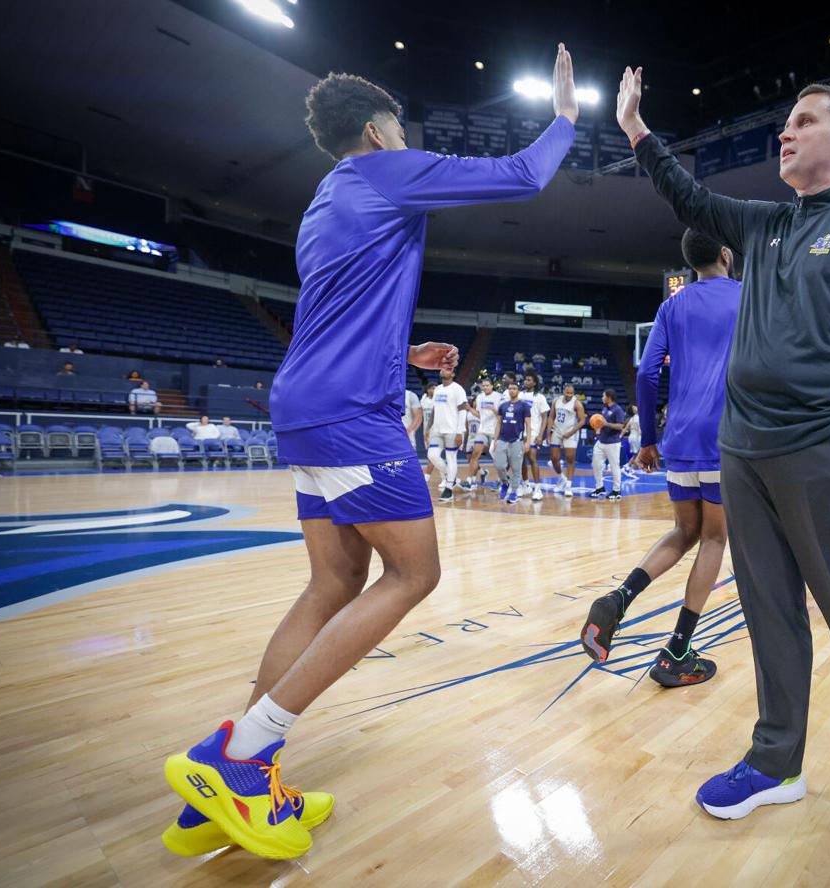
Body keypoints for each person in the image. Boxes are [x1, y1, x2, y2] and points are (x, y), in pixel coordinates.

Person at [160, 48, 579, 861]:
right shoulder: (385, 169)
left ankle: (243, 765)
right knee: (414, 575)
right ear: (378, 130)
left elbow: (339, 309)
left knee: (333, 581)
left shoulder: (327, 197)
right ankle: (241, 758)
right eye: (401, 128)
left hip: (308, 402)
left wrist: (403, 354)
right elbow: (524, 176)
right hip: (352, 412)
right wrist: (564, 116)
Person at [616, 68, 830, 861]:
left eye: (801, 121)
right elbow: (689, 200)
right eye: (785, 122)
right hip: (744, 451)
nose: (784, 132)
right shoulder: (766, 223)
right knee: (769, 611)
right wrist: (637, 130)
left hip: (824, 451)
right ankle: (776, 761)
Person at [580, 228, 741, 687]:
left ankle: (617, 599)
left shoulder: (672, 306)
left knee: (683, 530)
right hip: (724, 437)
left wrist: (649, 438)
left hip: (680, 438)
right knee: (713, 539)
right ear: (727, 255)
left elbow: (648, 373)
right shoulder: (748, 297)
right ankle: (676, 653)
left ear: (692, 264)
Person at [424, 368, 468, 501]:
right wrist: (428, 427)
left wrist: (460, 431)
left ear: (453, 374)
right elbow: (434, 409)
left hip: (452, 430)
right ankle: (451, 478)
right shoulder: (437, 389)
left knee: (451, 458)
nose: (444, 371)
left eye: (447, 369)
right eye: (442, 369)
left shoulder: (458, 389)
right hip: (437, 430)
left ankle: (448, 489)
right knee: (432, 455)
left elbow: (463, 410)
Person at [492, 381, 532, 504]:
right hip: (502, 439)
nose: (512, 390)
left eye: (514, 388)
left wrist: (528, 442)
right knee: (499, 465)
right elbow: (498, 423)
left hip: (517, 441)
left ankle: (514, 492)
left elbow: (528, 425)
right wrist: (495, 440)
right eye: (510, 388)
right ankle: (505, 482)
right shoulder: (503, 406)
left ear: (518, 391)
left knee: (516, 468)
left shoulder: (524, 406)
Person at [548, 383, 585, 497]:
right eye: (567, 392)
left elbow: (582, 421)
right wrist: (548, 433)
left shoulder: (577, 403)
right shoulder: (556, 401)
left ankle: (568, 486)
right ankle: (561, 478)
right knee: (554, 459)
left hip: (570, 433)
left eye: (571, 393)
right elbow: (551, 417)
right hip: (557, 431)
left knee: (570, 459)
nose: (569, 395)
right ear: (563, 391)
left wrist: (571, 432)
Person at [465, 378, 503, 490]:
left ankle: (502, 480)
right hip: (482, 430)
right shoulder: (480, 397)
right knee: (475, 454)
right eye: (483, 386)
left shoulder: (498, 397)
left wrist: (494, 410)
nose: (485, 387)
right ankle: (470, 481)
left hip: (495, 431)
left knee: (497, 458)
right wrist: (470, 409)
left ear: (492, 386)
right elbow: (479, 415)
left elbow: (501, 415)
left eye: (487, 385)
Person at [518, 371, 550, 500]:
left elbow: (545, 417)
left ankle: (538, 488)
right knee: (521, 460)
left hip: (534, 431)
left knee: (532, 458)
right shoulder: (520, 395)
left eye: (529, 380)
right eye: (525, 379)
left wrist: (540, 435)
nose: (526, 382)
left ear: (535, 382)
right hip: (520, 432)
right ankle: (525, 485)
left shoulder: (540, 397)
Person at [589, 389, 625, 500]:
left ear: (609, 397)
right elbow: (601, 424)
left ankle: (616, 490)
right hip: (601, 441)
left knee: (614, 467)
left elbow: (620, 426)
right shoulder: (604, 408)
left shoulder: (618, 410)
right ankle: (599, 487)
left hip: (613, 443)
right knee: (596, 465)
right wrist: (598, 429)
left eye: (603, 396)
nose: (601, 398)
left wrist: (606, 424)